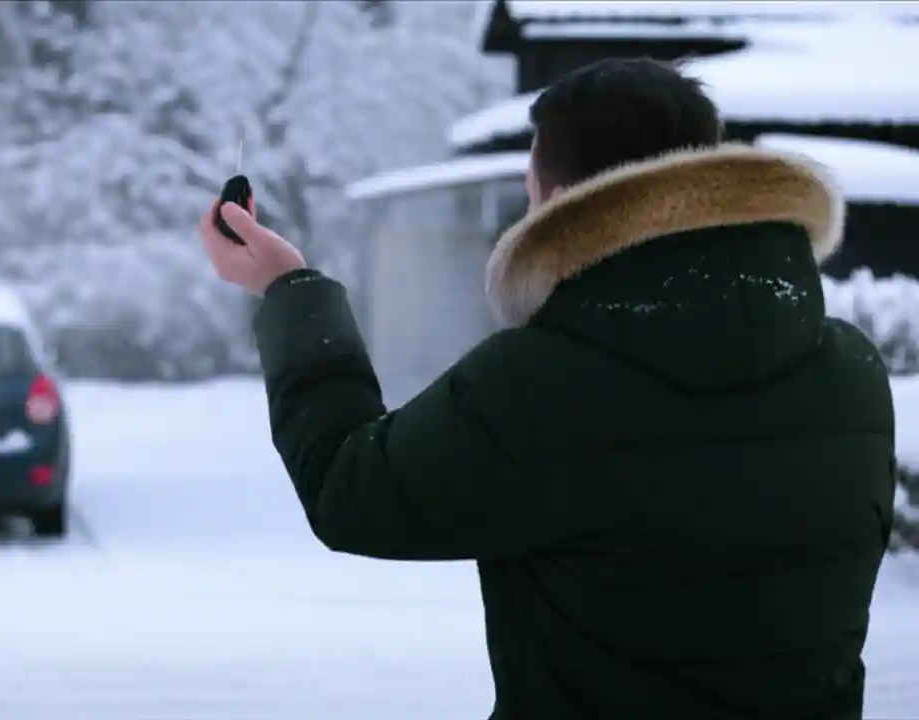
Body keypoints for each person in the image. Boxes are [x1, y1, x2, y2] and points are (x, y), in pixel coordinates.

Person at [198, 57, 896, 720]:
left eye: (529, 197)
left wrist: (289, 291)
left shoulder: (542, 384)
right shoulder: (853, 375)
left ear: (559, 202)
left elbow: (350, 492)